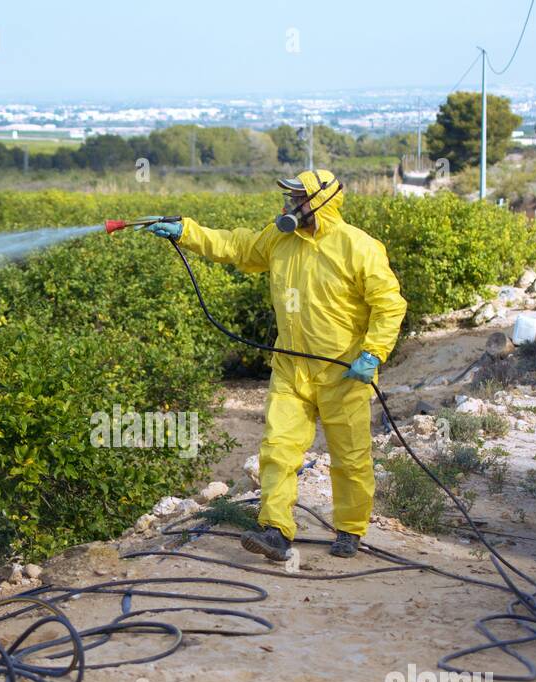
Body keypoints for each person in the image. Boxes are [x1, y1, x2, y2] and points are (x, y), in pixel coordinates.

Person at [145, 169, 406, 561]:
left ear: (318, 202)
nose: (287, 206)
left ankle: (350, 530)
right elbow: (239, 246)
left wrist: (373, 353)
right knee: (278, 450)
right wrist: (187, 232)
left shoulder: (359, 247)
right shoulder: (279, 238)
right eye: (287, 198)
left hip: (343, 372)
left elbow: (389, 304)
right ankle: (276, 531)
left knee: (350, 457)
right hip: (290, 367)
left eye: (295, 199)